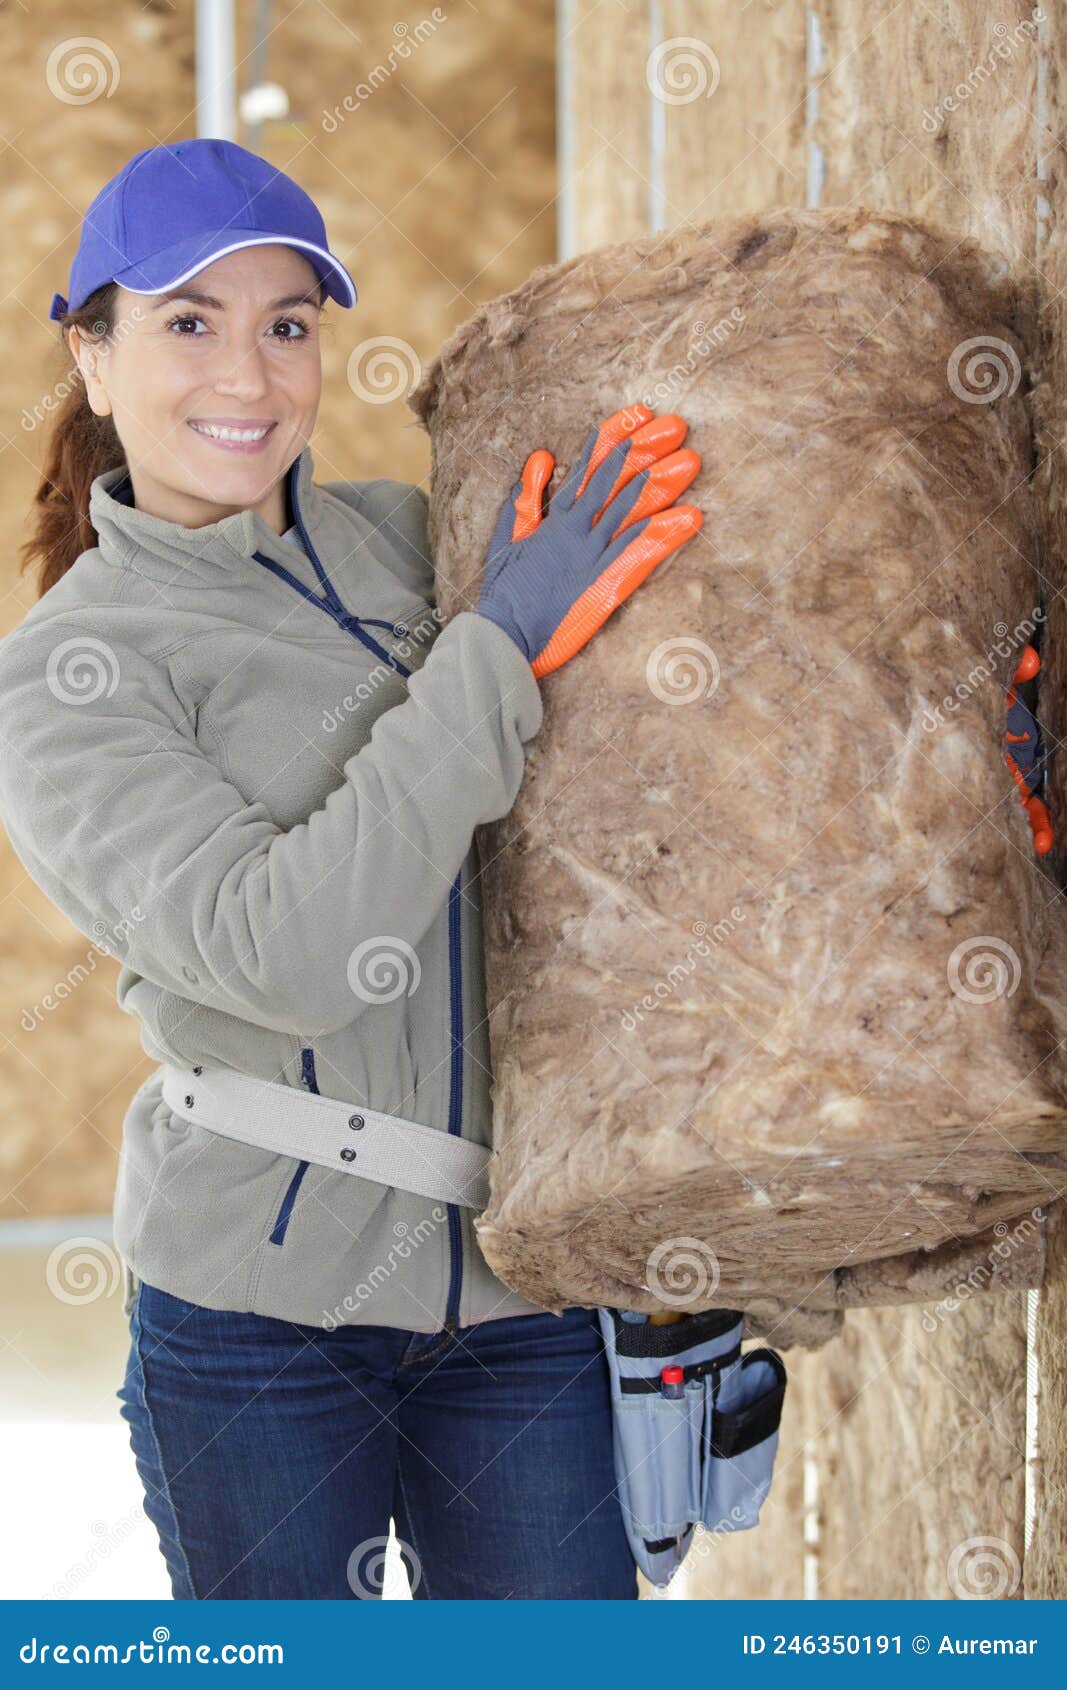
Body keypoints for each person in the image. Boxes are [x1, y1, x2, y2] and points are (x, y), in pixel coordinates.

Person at [0, 138, 703, 1600]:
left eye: (287, 325)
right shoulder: (68, 677)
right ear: (93, 356)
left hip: (522, 1287)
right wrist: (491, 653)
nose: (247, 377)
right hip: (257, 1325)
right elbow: (287, 952)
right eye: (188, 322)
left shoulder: (416, 542)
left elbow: (638, 765)